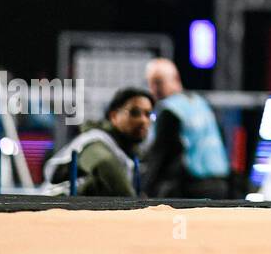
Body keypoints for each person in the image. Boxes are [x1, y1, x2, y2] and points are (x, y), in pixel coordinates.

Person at [144, 58, 231, 199]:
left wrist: (146, 189)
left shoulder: (170, 110)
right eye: (152, 83)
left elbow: (161, 154)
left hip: (193, 187)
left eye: (158, 82)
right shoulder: (200, 103)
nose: (154, 88)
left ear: (176, 79)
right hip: (220, 184)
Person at [43, 87, 153, 196]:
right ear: (114, 116)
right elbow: (104, 163)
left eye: (148, 114)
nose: (143, 120)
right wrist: (137, 205)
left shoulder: (130, 150)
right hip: (50, 208)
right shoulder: (95, 141)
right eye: (135, 113)